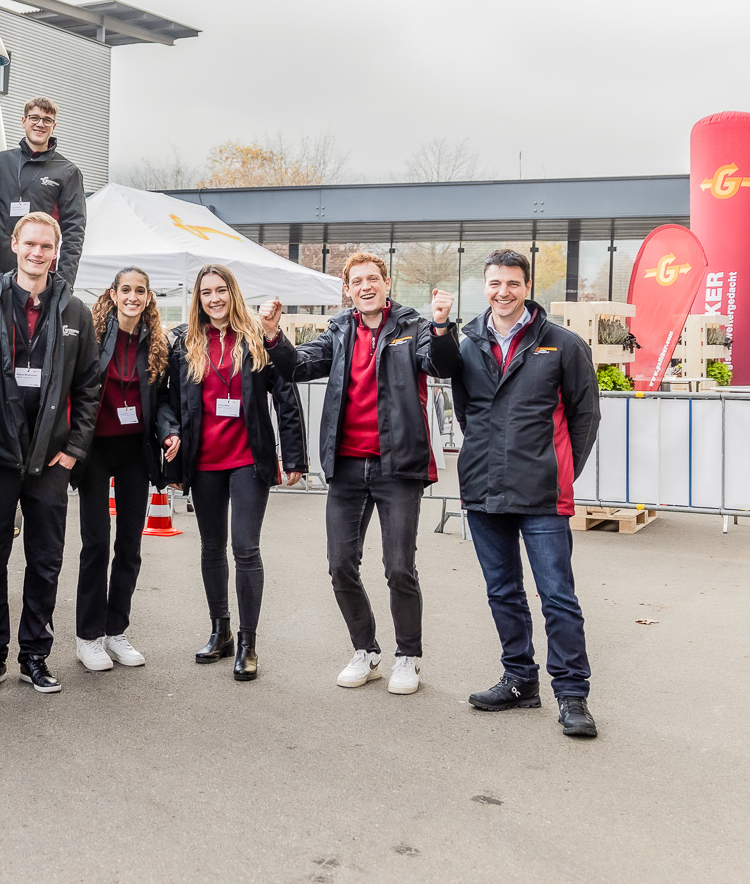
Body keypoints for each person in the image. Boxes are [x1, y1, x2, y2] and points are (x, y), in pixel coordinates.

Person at [425, 248, 601, 740]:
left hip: (543, 490)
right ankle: (520, 680)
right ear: (485, 287)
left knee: (557, 597)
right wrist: (439, 326)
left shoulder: (561, 344)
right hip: (483, 487)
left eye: (513, 284)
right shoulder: (467, 343)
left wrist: (563, 469)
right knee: (502, 592)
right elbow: (465, 408)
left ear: (527, 287)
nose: (503, 292)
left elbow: (585, 415)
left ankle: (572, 694)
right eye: (494, 284)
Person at [278, 252, 434, 695]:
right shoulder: (339, 330)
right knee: (340, 565)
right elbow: (298, 366)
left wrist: (441, 326)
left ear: (387, 284)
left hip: (397, 465)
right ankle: (366, 651)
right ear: (347, 290)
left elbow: (438, 363)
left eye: (373, 279)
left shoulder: (412, 327)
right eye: (356, 281)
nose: (365, 286)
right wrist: (273, 338)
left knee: (399, 567)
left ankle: (408, 656)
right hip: (346, 465)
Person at [0, 210, 102, 693]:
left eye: (48, 246)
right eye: (31, 244)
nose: (38, 253)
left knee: (45, 561)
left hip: (51, 461)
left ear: (55, 253)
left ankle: (35, 655)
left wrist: (73, 452)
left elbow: (89, 387)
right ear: (14, 246)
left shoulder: (76, 313)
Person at [163, 265, 306, 682]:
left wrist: (294, 458)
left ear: (232, 293)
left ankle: (247, 642)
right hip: (203, 463)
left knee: (245, 549)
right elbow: (169, 404)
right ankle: (220, 631)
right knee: (211, 548)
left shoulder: (256, 338)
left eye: (221, 290)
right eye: (206, 292)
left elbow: (287, 399)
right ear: (198, 299)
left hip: (248, 461)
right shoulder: (185, 343)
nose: (214, 298)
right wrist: (171, 449)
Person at [72, 266, 179, 673]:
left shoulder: (157, 344)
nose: (133, 296)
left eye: (140, 290)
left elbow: (164, 399)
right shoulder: (95, 336)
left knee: (129, 547)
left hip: (136, 451)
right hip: (96, 449)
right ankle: (88, 636)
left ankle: (116, 631)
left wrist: (170, 431)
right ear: (113, 294)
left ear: (149, 297)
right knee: (96, 544)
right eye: (126, 290)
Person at [0, 97, 87, 294]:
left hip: (37, 277)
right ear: (23, 121)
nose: (40, 124)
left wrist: (64, 282)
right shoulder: (1, 161)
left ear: (54, 126)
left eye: (47, 120)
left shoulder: (68, 172)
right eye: (34, 118)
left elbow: (74, 232)